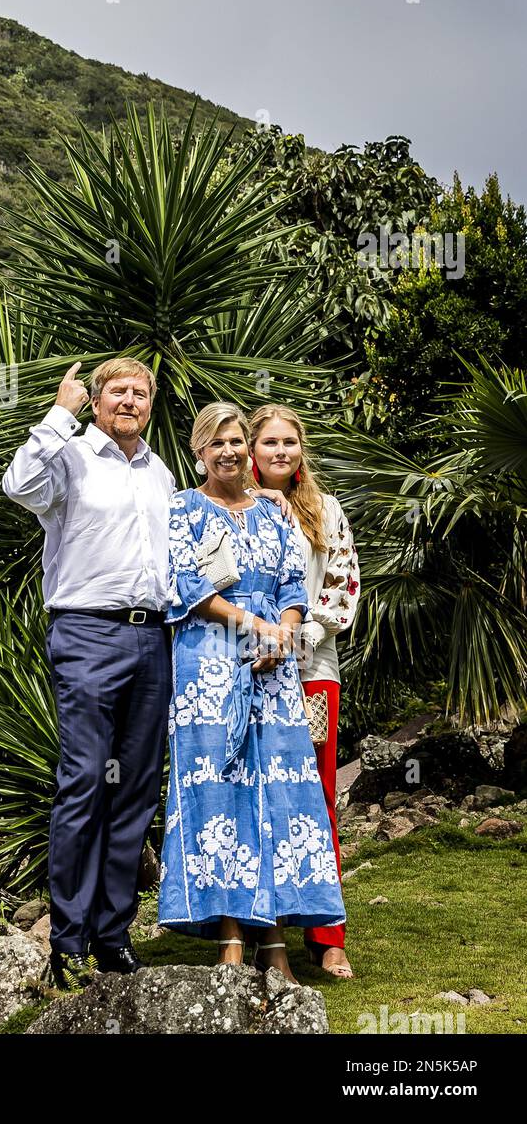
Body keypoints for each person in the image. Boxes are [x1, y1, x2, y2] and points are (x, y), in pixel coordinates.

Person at [157, 402, 346, 984]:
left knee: (281, 797)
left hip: (276, 671)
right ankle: (231, 940)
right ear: (199, 451)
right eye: (217, 443)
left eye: (238, 441)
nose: (230, 451)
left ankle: (277, 942)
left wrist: (284, 632)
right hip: (206, 671)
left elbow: (294, 582)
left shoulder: (274, 515)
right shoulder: (182, 510)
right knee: (220, 799)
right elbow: (182, 584)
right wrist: (252, 624)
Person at [1, 356, 174, 987]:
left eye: (139, 393)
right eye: (116, 392)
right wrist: (57, 411)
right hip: (87, 634)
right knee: (84, 782)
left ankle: (112, 935)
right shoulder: (68, 455)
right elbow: (16, 487)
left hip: (153, 638)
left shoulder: (159, 472)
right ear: (96, 400)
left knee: (134, 791)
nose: (129, 401)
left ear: (150, 404)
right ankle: (67, 940)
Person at [248, 403, 360, 979]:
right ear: (250, 448)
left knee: (315, 798)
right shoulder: (229, 505)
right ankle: (258, 933)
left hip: (311, 669)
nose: (281, 451)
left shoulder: (324, 509)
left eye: (290, 441)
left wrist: (300, 633)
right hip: (244, 670)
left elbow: (343, 591)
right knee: (255, 802)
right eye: (269, 441)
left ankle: (327, 933)